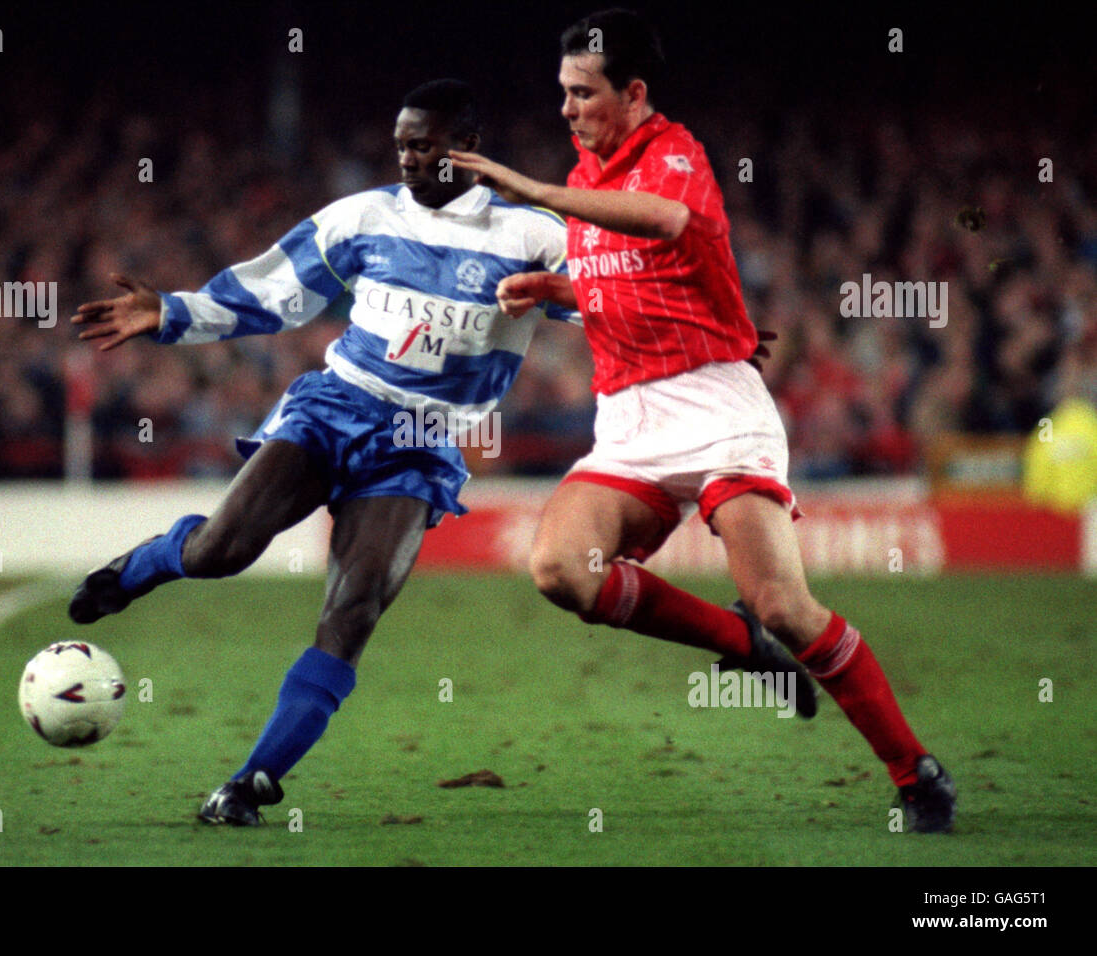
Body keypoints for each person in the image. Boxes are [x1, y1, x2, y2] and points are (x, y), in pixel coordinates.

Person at [450, 9, 956, 833]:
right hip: (629, 421)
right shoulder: (588, 168)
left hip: (718, 410)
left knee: (788, 607)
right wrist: (557, 291)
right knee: (561, 571)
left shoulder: (673, 154)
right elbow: (634, 278)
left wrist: (535, 192)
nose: (567, 109)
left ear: (635, 93)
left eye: (584, 93)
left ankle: (916, 772)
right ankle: (737, 644)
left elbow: (670, 224)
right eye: (563, 92)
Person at [65, 80, 582, 826]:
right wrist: (172, 311)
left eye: (424, 143)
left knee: (354, 610)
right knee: (222, 550)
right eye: (401, 143)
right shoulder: (363, 216)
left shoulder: (531, 236)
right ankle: (141, 565)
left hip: (420, 443)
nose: (408, 158)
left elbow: (613, 299)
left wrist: (706, 336)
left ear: (466, 145)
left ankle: (247, 784)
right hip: (337, 408)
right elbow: (275, 290)